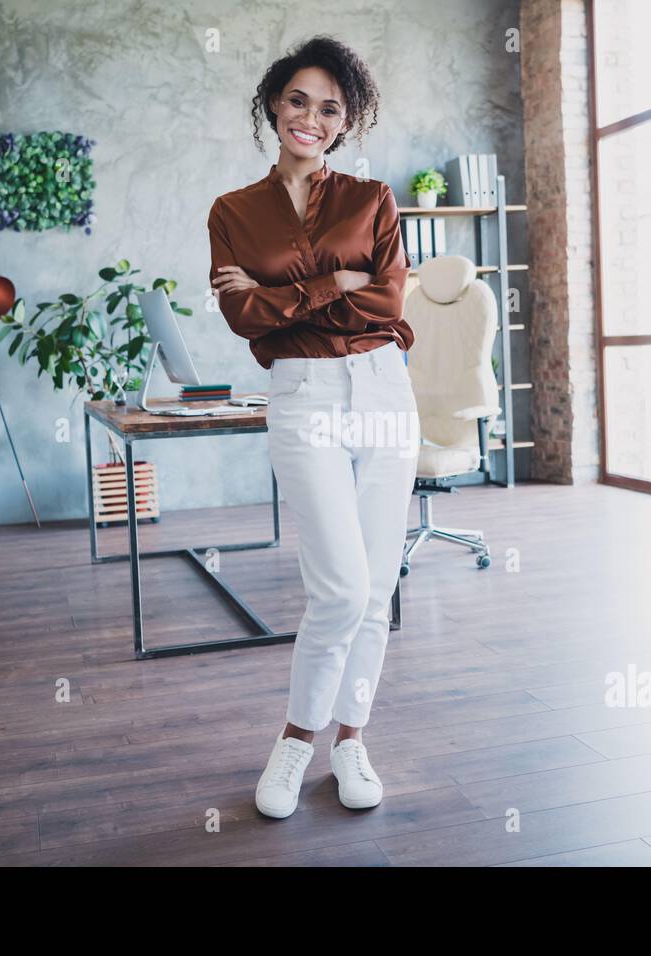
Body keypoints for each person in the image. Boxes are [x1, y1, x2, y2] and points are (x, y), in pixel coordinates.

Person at [207, 35, 419, 819]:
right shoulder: (233, 211)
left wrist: (281, 295)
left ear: (345, 121)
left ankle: (351, 739)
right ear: (273, 104)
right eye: (298, 99)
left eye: (330, 108)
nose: (311, 117)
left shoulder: (373, 199)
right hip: (302, 396)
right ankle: (296, 740)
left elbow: (387, 305)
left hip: (382, 389)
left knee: (376, 590)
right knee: (339, 588)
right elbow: (240, 317)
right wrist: (334, 279)